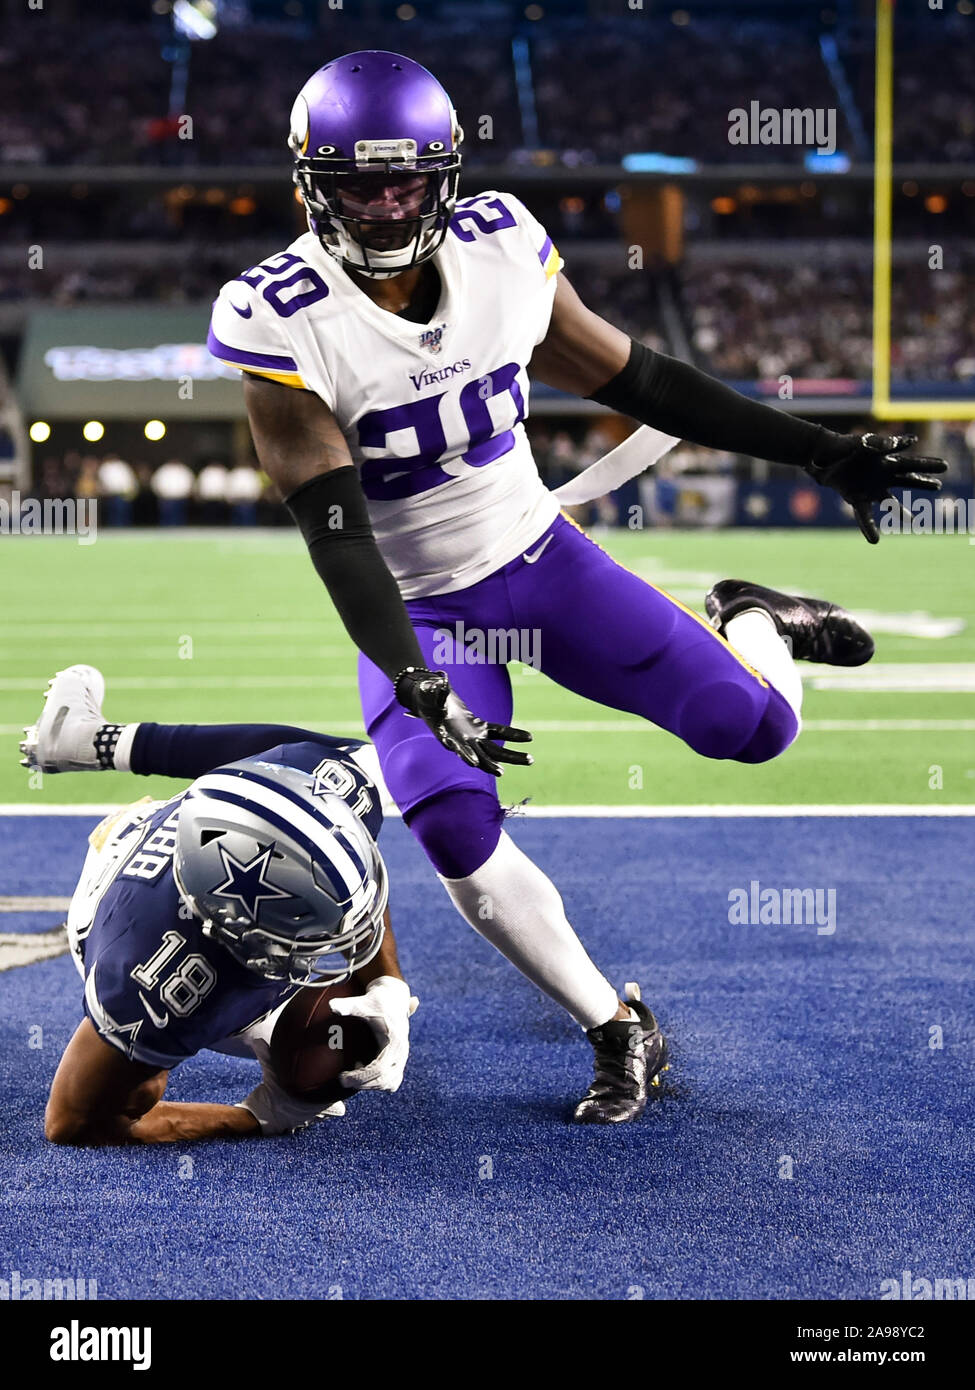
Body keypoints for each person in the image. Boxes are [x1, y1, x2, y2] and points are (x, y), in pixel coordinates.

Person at [204, 51, 944, 1124]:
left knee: (757, 729)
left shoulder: (502, 246)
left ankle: (750, 614)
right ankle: (615, 1024)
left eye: (403, 182)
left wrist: (818, 450)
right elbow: (338, 534)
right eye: (356, 184)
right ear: (309, 185)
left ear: (444, 177)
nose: (380, 207)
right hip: (423, 610)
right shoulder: (280, 314)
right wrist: (417, 681)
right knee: (453, 824)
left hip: (543, 562)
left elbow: (643, 379)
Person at [22, 665, 416, 1147]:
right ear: (237, 930)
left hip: (213, 840)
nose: (349, 933)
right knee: (145, 1087)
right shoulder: (158, 981)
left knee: (346, 1026)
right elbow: (71, 1121)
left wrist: (385, 983)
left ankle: (92, 742)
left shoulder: (333, 782)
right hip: (130, 905)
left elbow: (348, 873)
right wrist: (257, 1117)